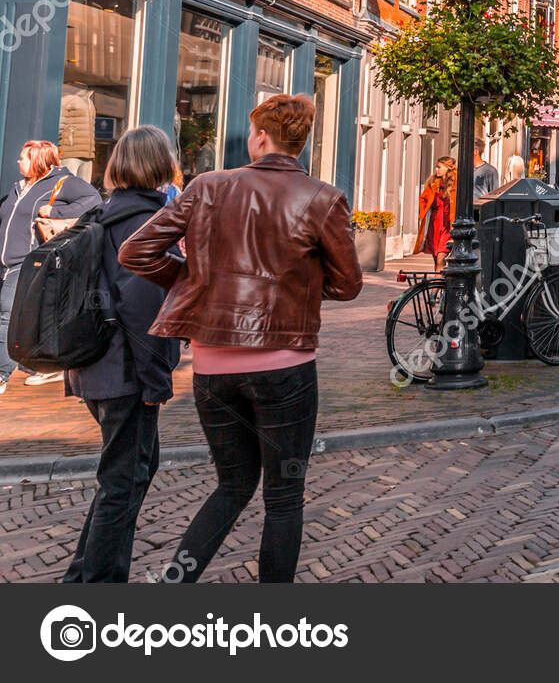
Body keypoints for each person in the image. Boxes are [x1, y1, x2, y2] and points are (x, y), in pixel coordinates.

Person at [120, 94, 362, 584]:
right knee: (284, 497)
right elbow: (348, 283)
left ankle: (174, 584)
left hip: (213, 369)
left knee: (231, 486)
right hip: (285, 366)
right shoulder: (322, 198)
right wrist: (297, 285)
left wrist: (196, 283)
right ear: (301, 142)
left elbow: (136, 251)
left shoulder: (208, 186)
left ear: (259, 137)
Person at [62, 127, 183, 582]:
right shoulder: (148, 224)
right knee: (123, 481)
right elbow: (140, 309)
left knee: (130, 472)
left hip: (91, 366)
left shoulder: (99, 214)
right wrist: (157, 381)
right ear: (160, 166)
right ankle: (96, 588)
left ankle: (82, 575)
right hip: (126, 372)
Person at [0, 138, 101, 393]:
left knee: (5, 315)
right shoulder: (18, 187)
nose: (18, 161)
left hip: (25, 263)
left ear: (37, 159)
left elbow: (94, 199)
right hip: (4, 263)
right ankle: (40, 367)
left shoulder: (60, 183)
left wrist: (53, 213)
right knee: (15, 319)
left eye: (23, 157)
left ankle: (1, 375)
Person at [413, 158, 456, 269]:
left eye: (439, 167)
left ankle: (436, 286)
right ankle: (440, 284)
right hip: (434, 225)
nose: (437, 170)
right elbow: (423, 198)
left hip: (448, 226)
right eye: (436, 167)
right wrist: (423, 214)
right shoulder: (433, 183)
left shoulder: (456, 183)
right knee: (436, 259)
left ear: (448, 168)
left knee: (441, 258)